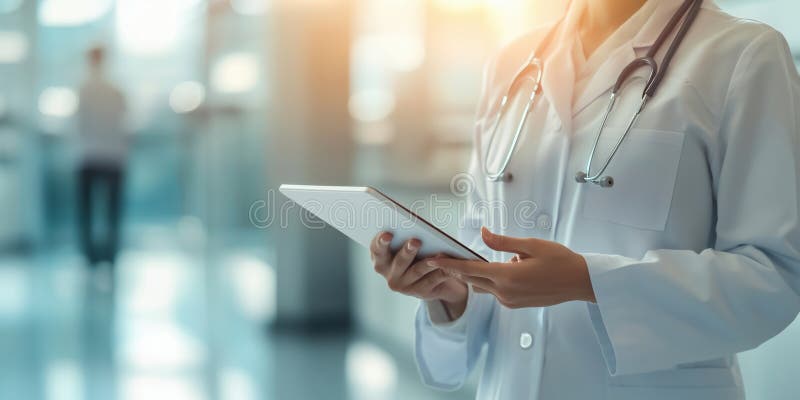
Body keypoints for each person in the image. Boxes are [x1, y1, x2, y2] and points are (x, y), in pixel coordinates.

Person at [370, 0, 800, 399]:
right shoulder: (511, 63)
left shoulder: (743, 56)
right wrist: (452, 293)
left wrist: (588, 281)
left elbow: (774, 274)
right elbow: (483, 246)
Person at [76, 46, 128, 267]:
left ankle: (90, 257)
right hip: (114, 157)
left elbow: (79, 125)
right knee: (112, 211)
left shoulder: (84, 89)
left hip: (89, 156)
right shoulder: (116, 90)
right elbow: (125, 124)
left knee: (87, 211)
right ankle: (111, 254)